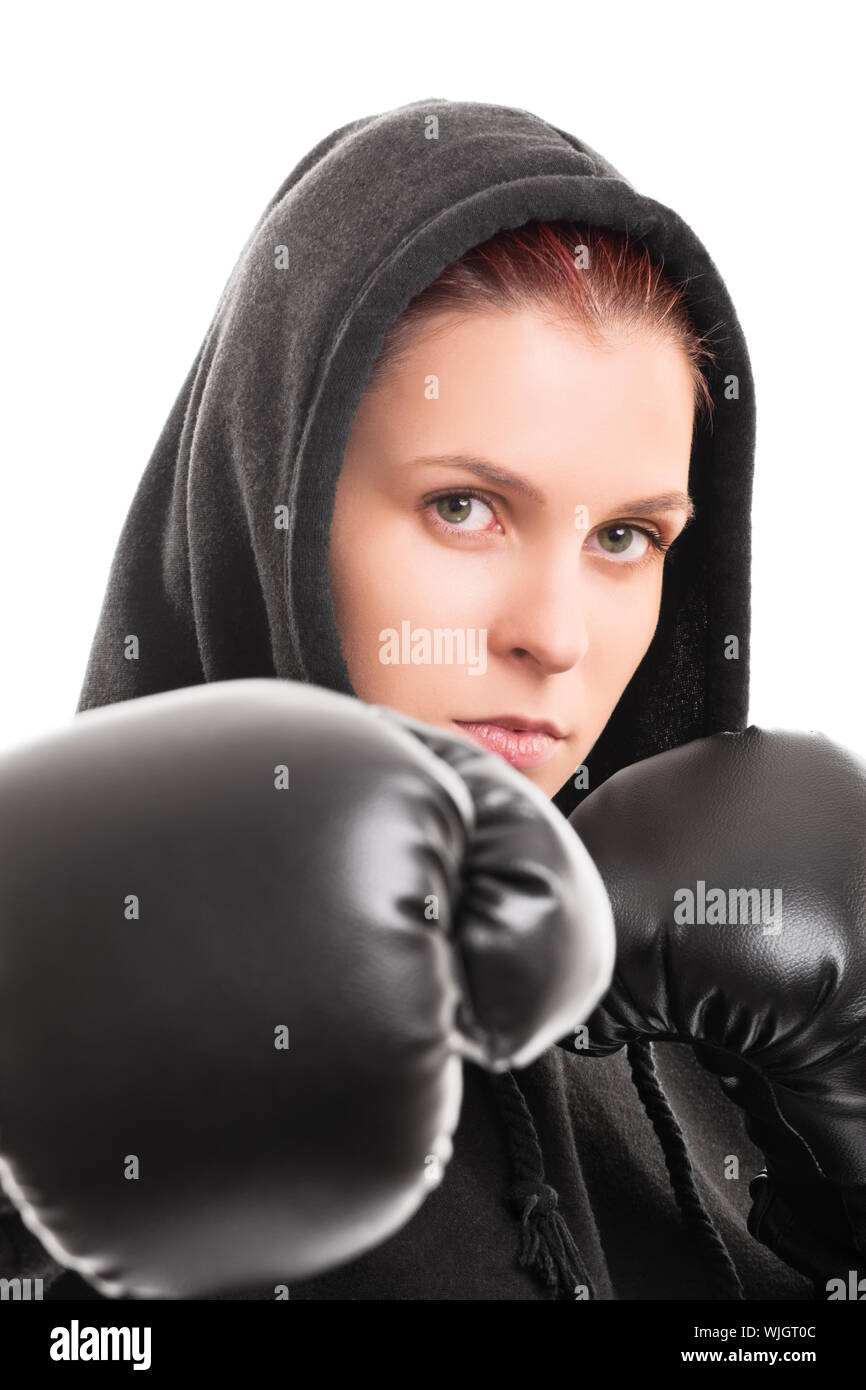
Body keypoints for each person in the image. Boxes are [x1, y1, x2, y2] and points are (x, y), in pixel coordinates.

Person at [2, 97, 861, 1301]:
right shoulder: (54, 1001)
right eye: (465, 506)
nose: (554, 636)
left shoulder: (700, 1014)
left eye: (625, 535)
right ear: (274, 502)